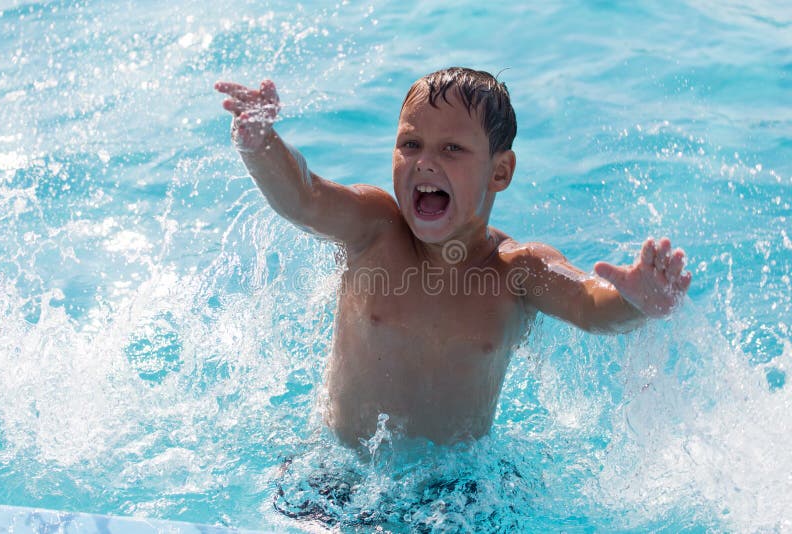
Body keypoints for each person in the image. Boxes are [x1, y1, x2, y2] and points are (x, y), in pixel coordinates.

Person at [214, 67, 691, 447]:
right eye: (411, 144)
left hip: (459, 495)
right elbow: (305, 197)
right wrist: (261, 142)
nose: (426, 161)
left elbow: (590, 304)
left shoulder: (516, 272)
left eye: (453, 149)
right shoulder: (375, 228)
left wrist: (636, 301)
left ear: (500, 172)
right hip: (340, 476)